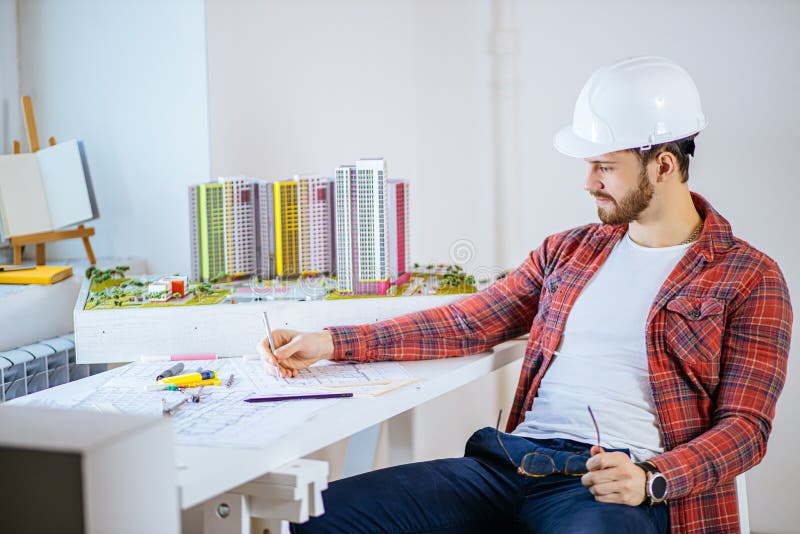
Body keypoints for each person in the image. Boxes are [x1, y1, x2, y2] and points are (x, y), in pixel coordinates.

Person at [257, 57, 792, 533]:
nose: (588, 182)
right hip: (508, 464)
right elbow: (468, 321)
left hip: (612, 488)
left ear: (664, 165)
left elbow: (745, 429)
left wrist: (652, 479)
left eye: (605, 166)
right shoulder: (570, 251)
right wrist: (330, 342)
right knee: (319, 519)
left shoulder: (749, 277)